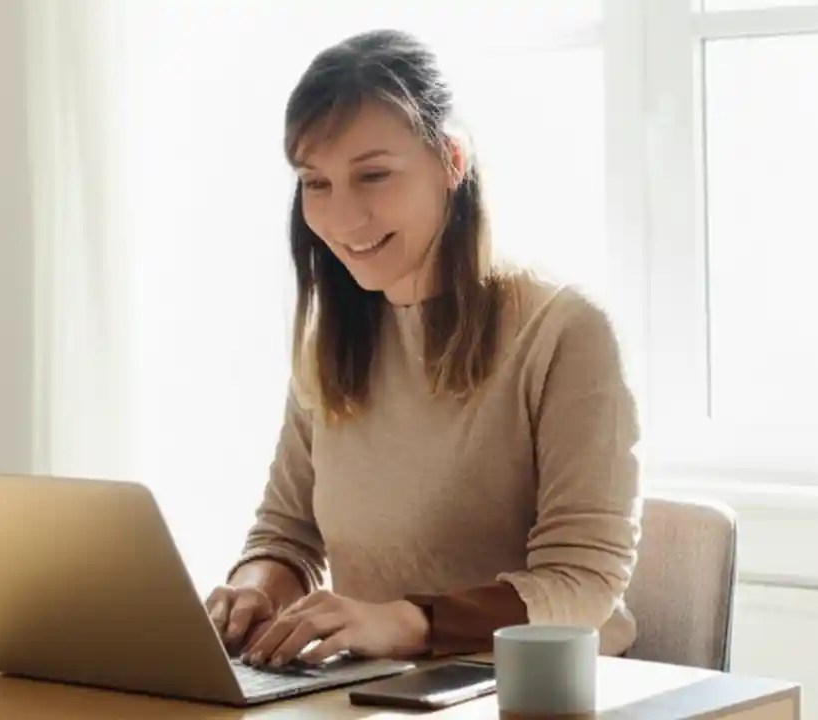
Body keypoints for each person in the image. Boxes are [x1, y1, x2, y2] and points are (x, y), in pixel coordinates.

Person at [203, 28, 641, 670]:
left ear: (451, 162)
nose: (342, 218)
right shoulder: (330, 341)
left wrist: (402, 622)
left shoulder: (564, 332)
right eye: (316, 183)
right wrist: (249, 596)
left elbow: (584, 583)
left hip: (537, 691)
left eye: (373, 175)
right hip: (376, 689)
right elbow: (288, 533)